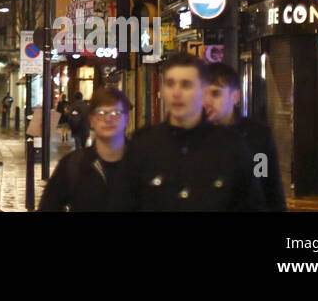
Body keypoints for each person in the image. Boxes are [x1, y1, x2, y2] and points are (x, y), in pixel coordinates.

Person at [109, 53, 262, 211]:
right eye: (170, 84)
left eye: (186, 85)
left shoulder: (230, 147)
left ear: (202, 91)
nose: (176, 93)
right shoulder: (143, 146)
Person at [204, 62, 286, 211]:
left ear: (235, 96)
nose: (207, 102)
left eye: (216, 94)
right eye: (202, 94)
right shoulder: (193, 135)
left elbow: (269, 187)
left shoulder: (257, 136)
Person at [40, 87, 130, 211]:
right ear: (91, 120)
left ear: (126, 119)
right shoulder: (72, 166)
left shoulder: (144, 164)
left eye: (115, 113)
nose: (108, 119)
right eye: (101, 113)